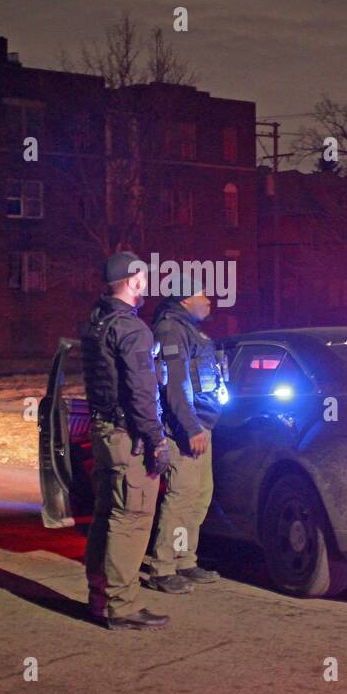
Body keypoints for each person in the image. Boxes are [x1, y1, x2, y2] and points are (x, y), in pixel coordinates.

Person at [81, 252, 171, 631]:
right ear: (132, 280)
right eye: (143, 276)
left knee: (106, 516)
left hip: (103, 431)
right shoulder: (134, 330)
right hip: (128, 437)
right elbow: (140, 392)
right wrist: (156, 440)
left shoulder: (96, 323)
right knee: (131, 519)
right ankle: (123, 604)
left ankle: (101, 598)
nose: (146, 282)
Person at [143, 290, 227, 593]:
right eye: (201, 295)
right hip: (184, 429)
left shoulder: (189, 329)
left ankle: (184, 559)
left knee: (199, 495)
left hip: (201, 425)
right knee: (182, 498)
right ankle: (163, 567)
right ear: (184, 299)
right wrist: (190, 428)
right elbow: (175, 385)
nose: (208, 301)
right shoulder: (170, 330)